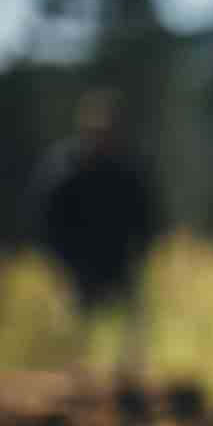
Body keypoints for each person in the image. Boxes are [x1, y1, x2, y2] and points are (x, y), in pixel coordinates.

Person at [26, 88, 158, 377]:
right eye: (96, 130)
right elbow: (47, 219)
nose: (102, 137)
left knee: (135, 312)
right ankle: (76, 376)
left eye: (107, 130)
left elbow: (147, 215)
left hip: (118, 260)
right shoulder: (64, 170)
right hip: (77, 263)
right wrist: (62, 262)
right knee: (75, 318)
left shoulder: (127, 169)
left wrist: (139, 254)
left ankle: (128, 375)